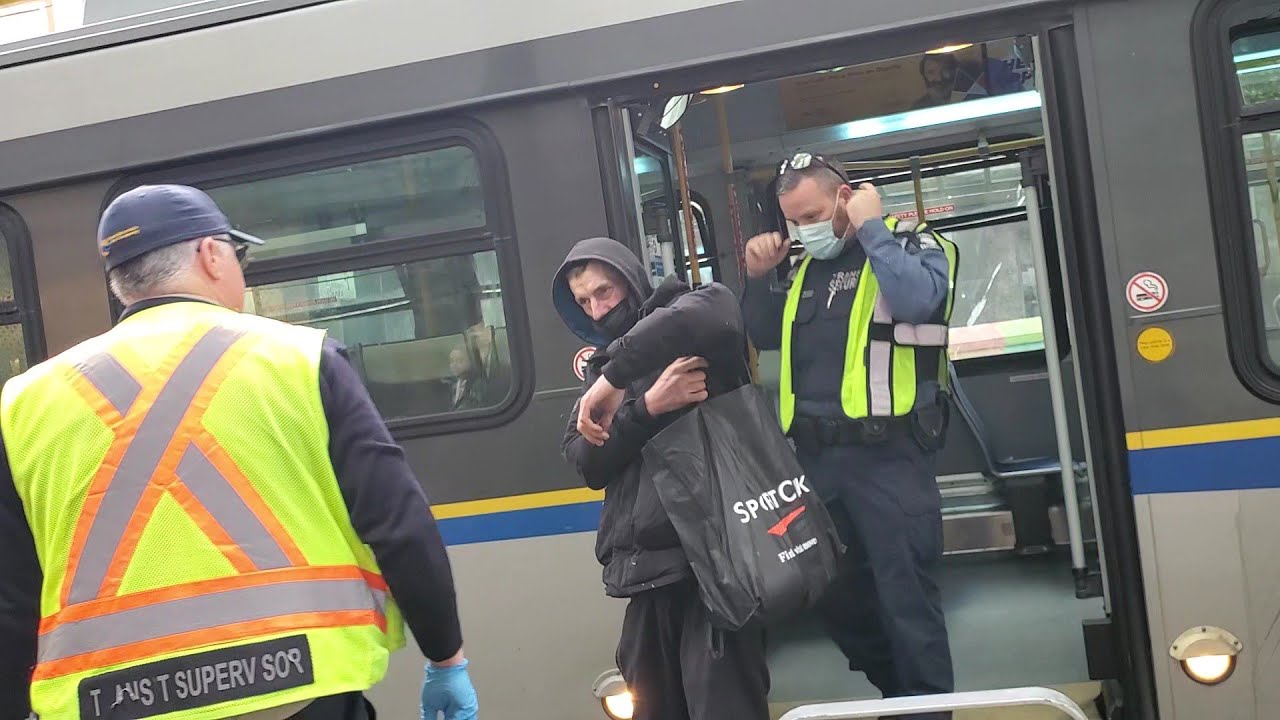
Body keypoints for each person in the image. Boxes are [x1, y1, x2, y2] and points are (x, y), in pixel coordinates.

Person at [0, 184, 478, 720]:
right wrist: (445, 656)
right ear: (210, 254)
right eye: (238, 254)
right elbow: (400, 526)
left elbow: (13, 595)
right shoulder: (300, 358)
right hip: (296, 690)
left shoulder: (26, 402)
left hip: (110, 703)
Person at [742, 153, 958, 719]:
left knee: (906, 600)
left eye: (811, 214)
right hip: (814, 463)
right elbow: (761, 334)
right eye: (791, 221)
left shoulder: (914, 244)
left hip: (889, 458)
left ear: (846, 198)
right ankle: (902, 698)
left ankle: (929, 714)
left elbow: (918, 302)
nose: (802, 229)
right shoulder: (801, 267)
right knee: (830, 597)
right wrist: (758, 280)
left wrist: (871, 229)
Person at [552, 237, 768, 720]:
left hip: (713, 568)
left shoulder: (694, 323)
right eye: (584, 302)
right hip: (646, 574)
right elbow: (586, 460)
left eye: (604, 292)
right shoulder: (602, 365)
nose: (597, 309)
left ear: (631, 281)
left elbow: (716, 310)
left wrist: (615, 385)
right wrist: (647, 407)